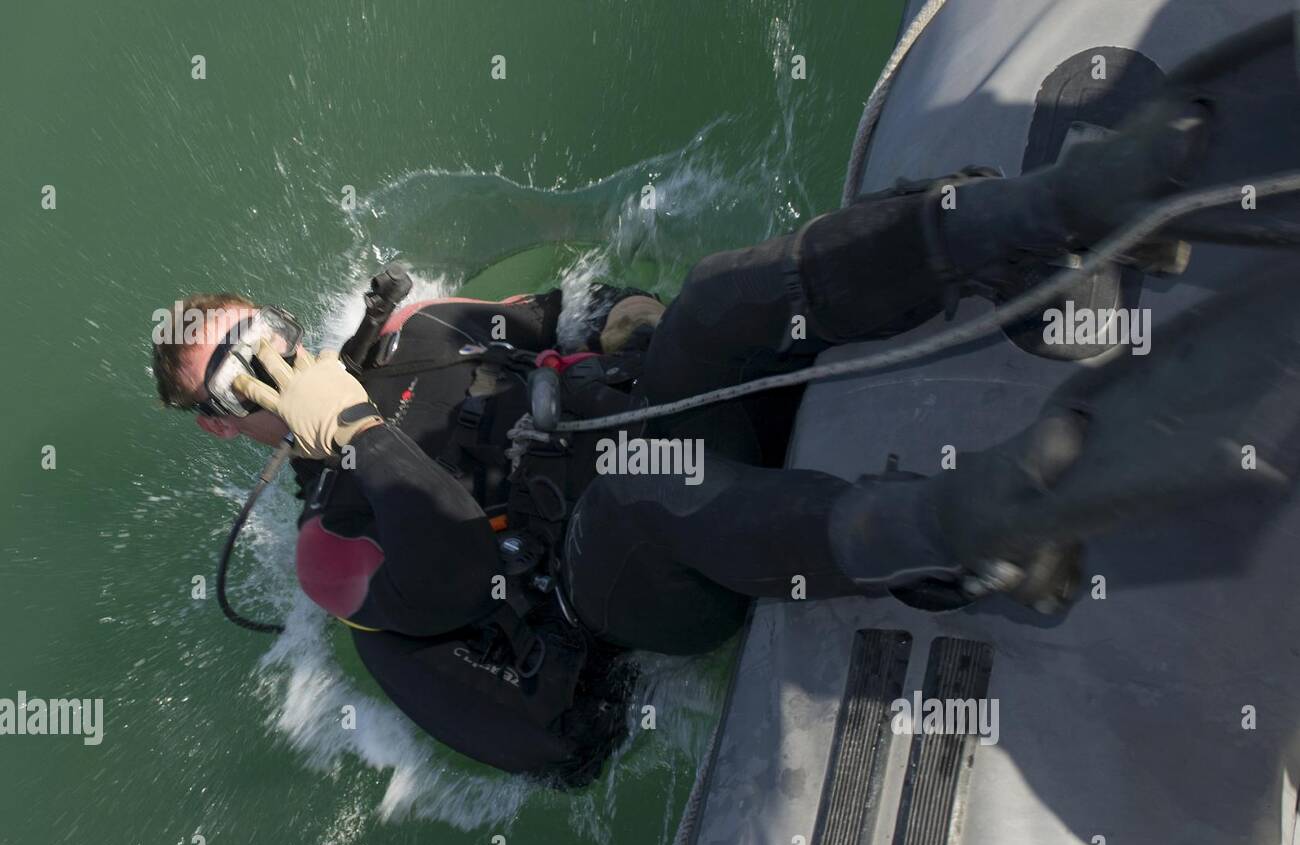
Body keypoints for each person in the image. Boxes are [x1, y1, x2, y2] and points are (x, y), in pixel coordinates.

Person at [151, 92, 1210, 785]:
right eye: (234, 376)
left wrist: (617, 313)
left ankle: (1047, 215)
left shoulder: (421, 329)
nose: (265, 367)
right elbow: (456, 567)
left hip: (656, 416)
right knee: (639, 494)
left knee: (707, 299)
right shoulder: (327, 545)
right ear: (220, 423)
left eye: (259, 339)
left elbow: (561, 313)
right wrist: (351, 433)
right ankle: (967, 531)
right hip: (635, 574)